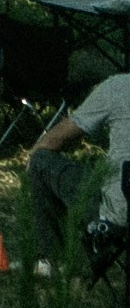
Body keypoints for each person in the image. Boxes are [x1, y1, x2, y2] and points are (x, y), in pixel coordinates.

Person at [23, 62, 130, 273]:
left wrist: (32, 159)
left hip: (118, 214)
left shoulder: (118, 87)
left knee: (41, 161)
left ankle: (50, 260)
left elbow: (56, 139)